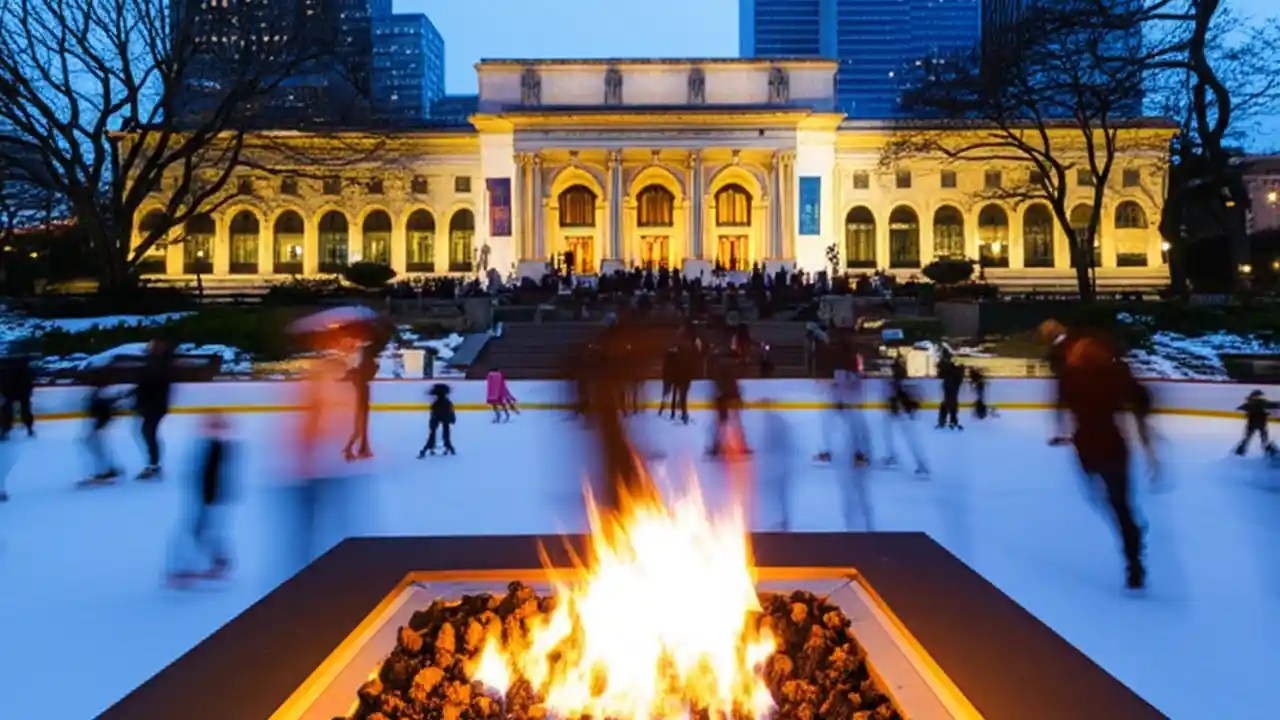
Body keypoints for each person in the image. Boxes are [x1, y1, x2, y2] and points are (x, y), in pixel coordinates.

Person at [1055, 327, 1154, 590]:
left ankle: (1131, 537)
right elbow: (1140, 400)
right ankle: (1133, 553)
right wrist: (1149, 446)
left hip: (1087, 447)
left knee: (1105, 499)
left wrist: (1063, 433)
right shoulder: (1116, 375)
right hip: (1113, 445)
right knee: (1120, 504)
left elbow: (1066, 406)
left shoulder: (1069, 377)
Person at [168, 413, 232, 586]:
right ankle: (219, 560)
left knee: (200, 530)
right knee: (201, 530)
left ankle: (210, 562)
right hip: (207, 497)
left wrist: (210, 495)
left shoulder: (218, 447)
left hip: (209, 497)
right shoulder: (213, 446)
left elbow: (214, 475)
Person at [133, 340, 174, 480]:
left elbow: (151, 384)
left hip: (155, 405)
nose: (148, 348)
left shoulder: (159, 364)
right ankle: (153, 465)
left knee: (148, 432)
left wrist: (139, 396)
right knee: (147, 432)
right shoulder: (156, 363)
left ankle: (154, 465)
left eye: (152, 346)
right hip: (153, 404)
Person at [883, 354, 929, 475]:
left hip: (903, 414)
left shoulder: (898, 384)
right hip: (903, 414)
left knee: (909, 439)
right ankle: (894, 456)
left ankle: (919, 464)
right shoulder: (906, 383)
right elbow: (920, 398)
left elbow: (895, 399)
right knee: (905, 438)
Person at [79, 370, 123, 486]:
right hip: (98, 423)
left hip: (99, 424)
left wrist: (99, 424)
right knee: (95, 446)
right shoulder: (99, 393)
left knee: (96, 447)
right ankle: (106, 470)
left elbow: (106, 411)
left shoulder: (101, 393)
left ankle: (104, 472)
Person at [342, 340, 378, 461]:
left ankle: (363, 449)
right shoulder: (361, 377)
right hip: (362, 405)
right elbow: (372, 370)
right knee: (359, 430)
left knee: (361, 430)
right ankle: (349, 449)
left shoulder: (360, 375)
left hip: (362, 404)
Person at [0, 354, 35, 439]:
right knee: (25, 410)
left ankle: (4, 430)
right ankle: (29, 429)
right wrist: (29, 390)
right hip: (22, 391)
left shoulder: (5, 368)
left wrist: (2, 392)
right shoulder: (26, 368)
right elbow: (30, 381)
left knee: (6, 411)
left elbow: (3, 381)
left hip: (9, 392)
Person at [1235, 389, 1278, 457]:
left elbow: (1240, 408)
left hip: (1251, 424)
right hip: (1261, 424)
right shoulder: (1263, 403)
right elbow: (1274, 405)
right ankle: (1271, 453)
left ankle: (1239, 452)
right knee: (1264, 440)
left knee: (1246, 439)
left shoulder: (1249, 403)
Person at [418, 383, 457, 457]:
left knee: (434, 432)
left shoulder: (435, 405)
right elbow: (450, 412)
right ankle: (447, 445)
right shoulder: (447, 403)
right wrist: (452, 417)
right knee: (445, 431)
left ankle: (431, 445)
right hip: (444, 414)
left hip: (439, 414)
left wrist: (432, 423)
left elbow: (433, 418)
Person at [937, 357, 965, 431]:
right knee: (951, 404)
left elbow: (940, 374)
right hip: (951, 388)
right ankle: (950, 421)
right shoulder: (958, 371)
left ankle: (945, 421)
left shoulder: (952, 370)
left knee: (948, 403)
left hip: (950, 387)